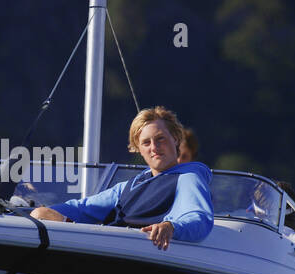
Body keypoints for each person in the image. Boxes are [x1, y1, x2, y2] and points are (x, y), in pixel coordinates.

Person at [30, 106, 213, 250]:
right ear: (138, 149)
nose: (154, 147)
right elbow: (83, 208)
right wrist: (24, 212)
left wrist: (171, 227)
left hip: (143, 253)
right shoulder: (128, 186)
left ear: (175, 139)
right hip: (111, 248)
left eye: (161, 139)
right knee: (42, 214)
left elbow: (199, 218)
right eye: (146, 143)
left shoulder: (188, 177)